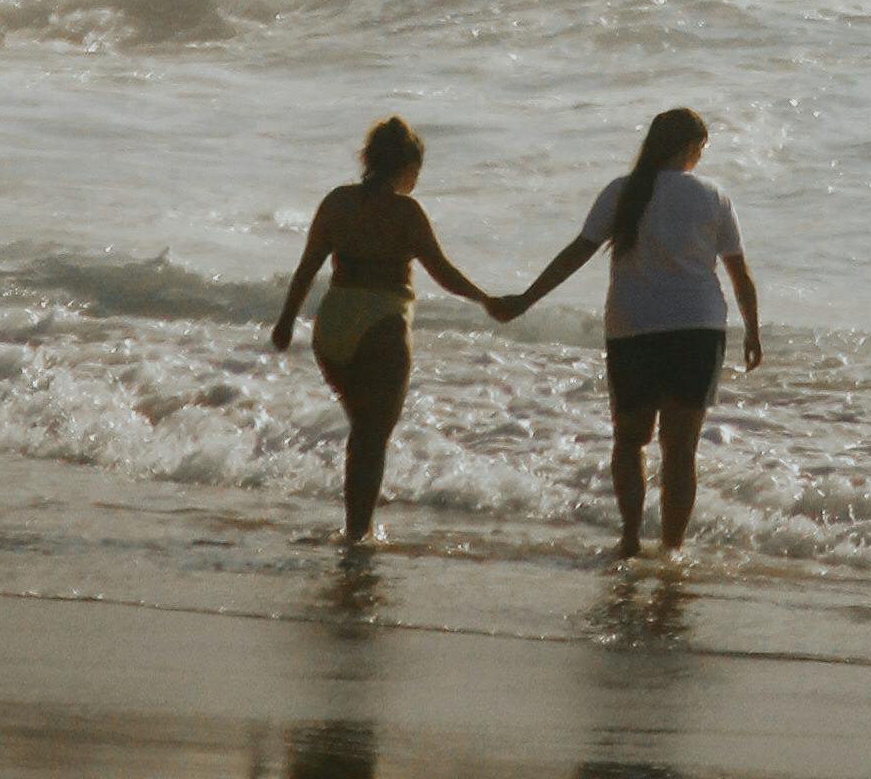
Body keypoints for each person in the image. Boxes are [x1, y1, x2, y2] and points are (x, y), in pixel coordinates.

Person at [503, 103, 762, 556]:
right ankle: (672, 549)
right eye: (701, 147)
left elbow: (577, 253)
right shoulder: (712, 194)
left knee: (630, 441)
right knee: (679, 451)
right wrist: (752, 329)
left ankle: (628, 539)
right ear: (690, 147)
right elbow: (739, 272)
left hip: (632, 328)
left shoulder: (623, 191)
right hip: (695, 330)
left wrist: (527, 298)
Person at [269, 115, 498, 548]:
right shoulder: (406, 212)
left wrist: (285, 322)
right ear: (407, 167)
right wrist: (486, 299)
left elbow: (306, 268)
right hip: (382, 324)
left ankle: (355, 526)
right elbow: (442, 272)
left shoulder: (336, 202)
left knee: (363, 432)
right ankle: (358, 535)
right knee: (372, 437)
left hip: (333, 324)